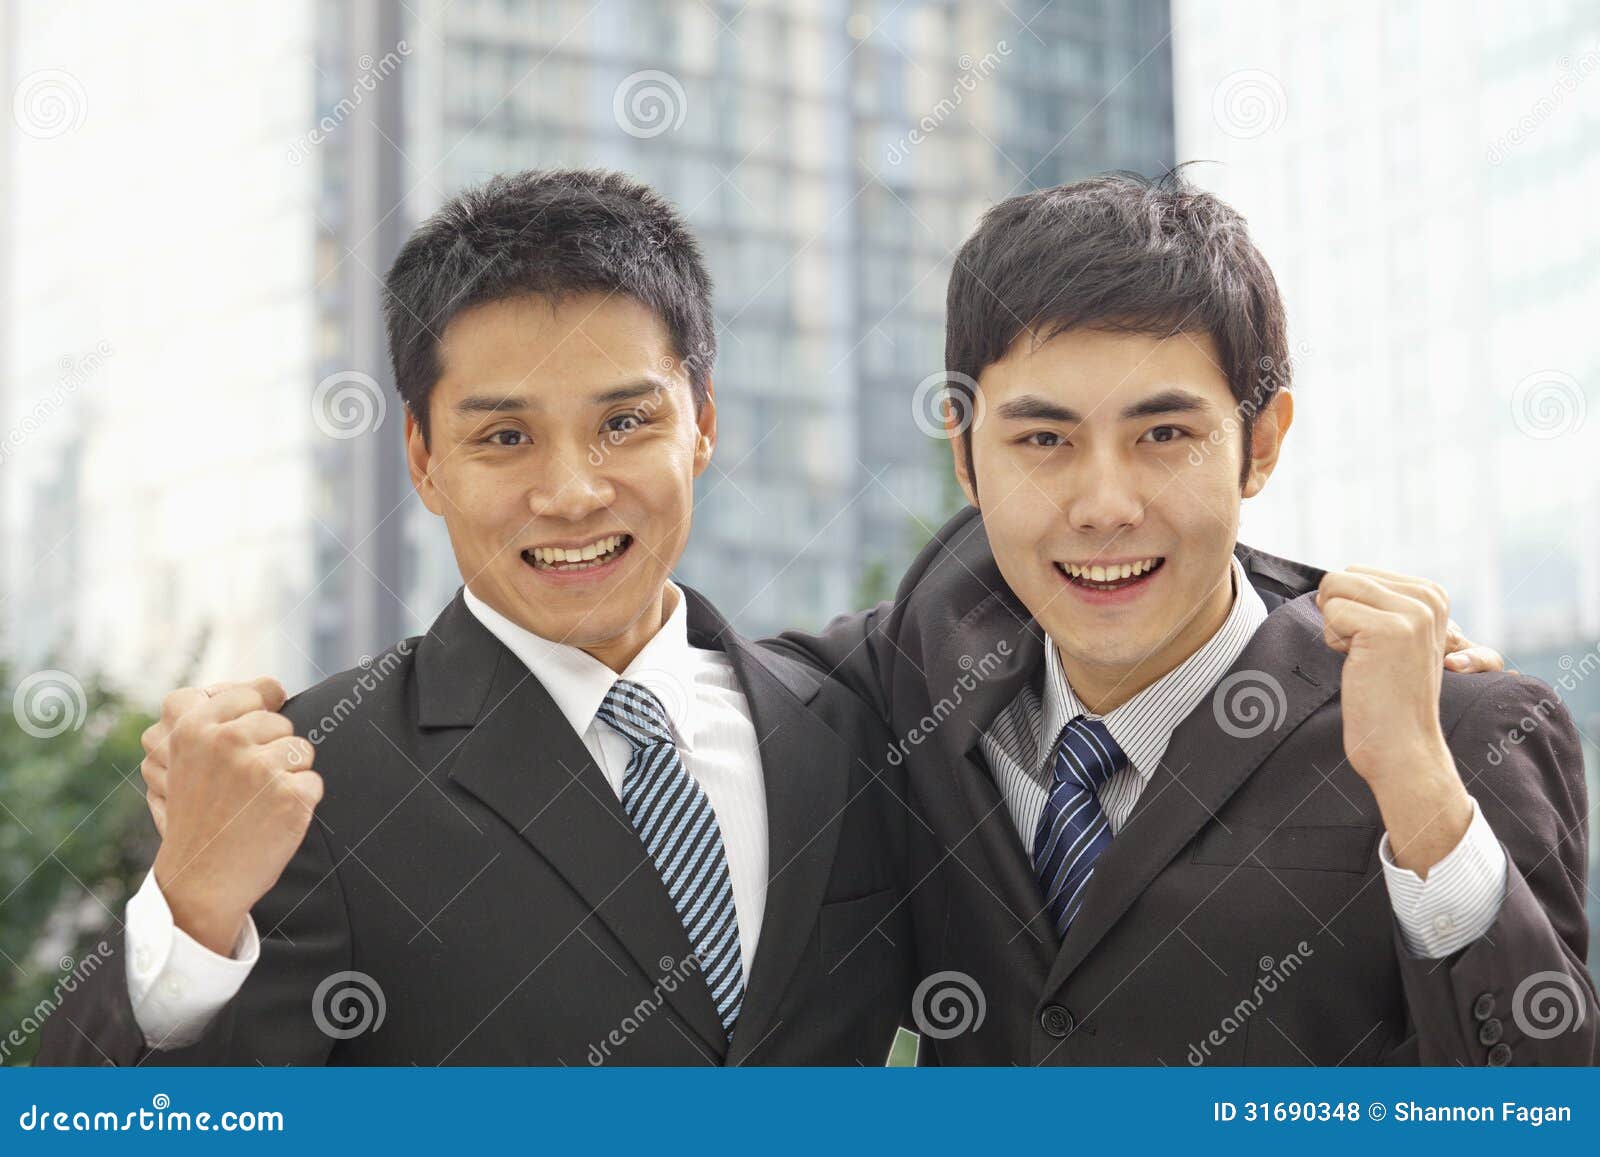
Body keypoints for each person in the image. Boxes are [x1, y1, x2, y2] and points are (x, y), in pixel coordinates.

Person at [36, 169, 914, 1066]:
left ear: (703, 423)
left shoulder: (848, 728)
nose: (572, 493)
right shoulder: (310, 783)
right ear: (423, 459)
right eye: (505, 437)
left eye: (624, 422)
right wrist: (193, 903)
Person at [774, 172, 1596, 1065]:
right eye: (1043, 439)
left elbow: (1540, 1103)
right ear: (965, 455)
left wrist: (1423, 798)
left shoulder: (1458, 733)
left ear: (1261, 441)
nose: (1105, 505)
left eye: (1164, 435)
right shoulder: (908, 683)